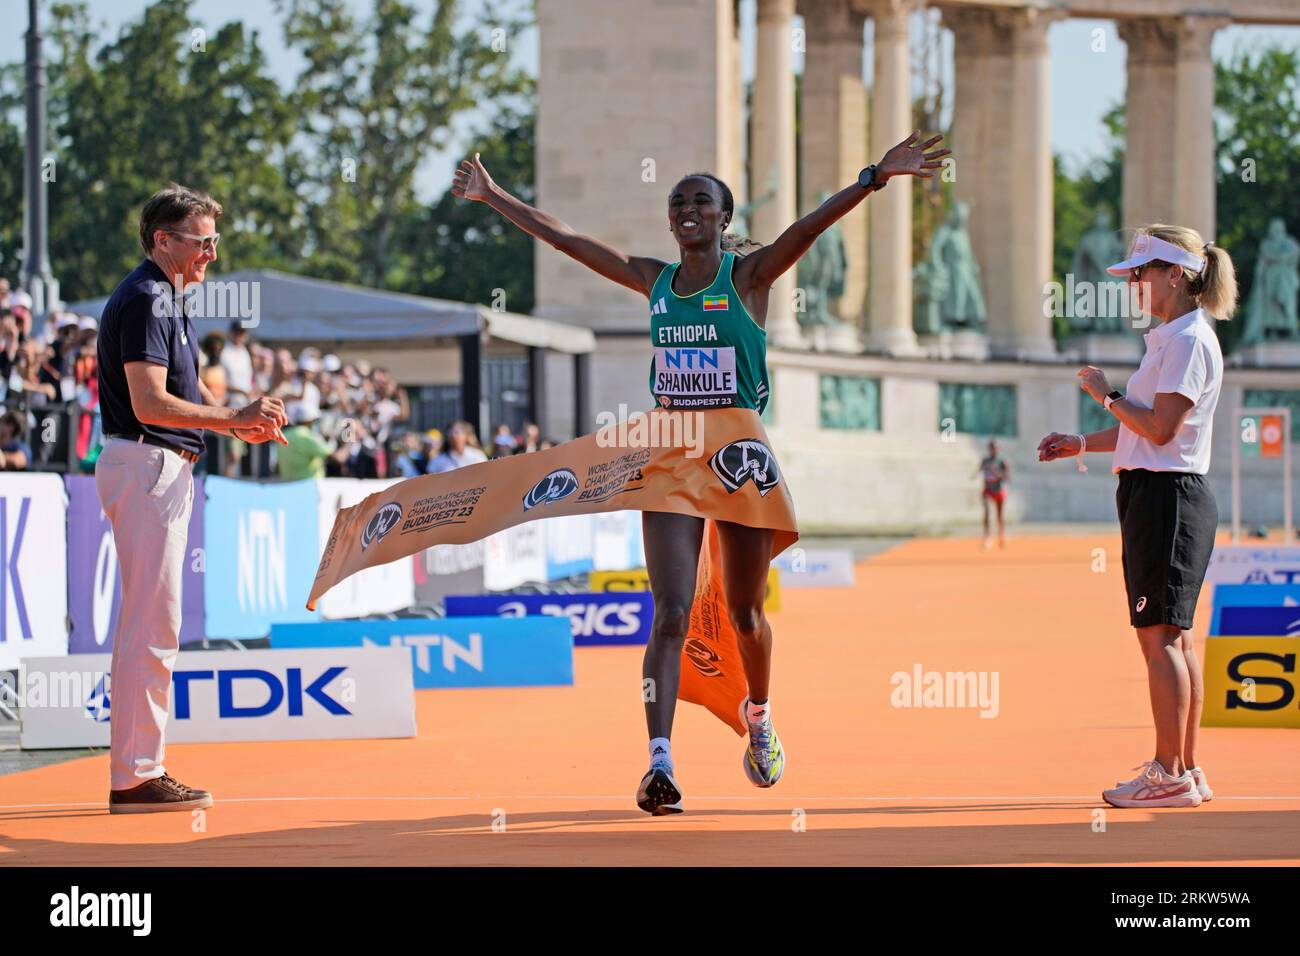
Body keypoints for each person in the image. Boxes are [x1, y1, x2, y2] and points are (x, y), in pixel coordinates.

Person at [453, 130, 948, 813]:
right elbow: (567, 238)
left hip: (739, 454)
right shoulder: (654, 279)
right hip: (673, 454)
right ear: (670, 219)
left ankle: (760, 714)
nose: (688, 209)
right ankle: (659, 763)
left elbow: (808, 227)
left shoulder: (748, 277)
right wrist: (493, 194)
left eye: (702, 201)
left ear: (724, 219)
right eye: (679, 201)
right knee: (670, 615)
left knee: (746, 613)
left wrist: (873, 178)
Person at [95, 183, 287, 813]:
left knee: (153, 624)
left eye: (213, 240)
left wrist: (239, 421)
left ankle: (138, 770)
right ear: (164, 240)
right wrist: (234, 418)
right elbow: (150, 403)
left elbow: (173, 398)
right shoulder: (150, 297)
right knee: (152, 626)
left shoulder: (165, 298)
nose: (212, 252)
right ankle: (136, 774)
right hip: (148, 459)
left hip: (155, 463)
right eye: (203, 242)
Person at [1038, 224, 1237, 809]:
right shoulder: (1176, 337)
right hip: (1164, 494)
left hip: (1166, 498)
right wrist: (1080, 442)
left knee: (1160, 642)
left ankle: (1169, 772)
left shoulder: (1187, 341)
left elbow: (1158, 428)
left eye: (1142, 273)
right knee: (1177, 640)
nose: (1134, 284)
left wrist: (1103, 393)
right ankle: (1185, 769)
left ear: (1174, 274)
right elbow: (1144, 429)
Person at [278, 405, 333, 480]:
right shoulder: (307, 435)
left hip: (288, 484)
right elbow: (335, 457)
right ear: (309, 421)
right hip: (309, 485)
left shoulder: (285, 434)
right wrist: (349, 442)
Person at [976, 439, 1009, 549]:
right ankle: (987, 537)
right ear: (989, 449)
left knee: (999, 516)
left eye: (995, 448)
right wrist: (976, 473)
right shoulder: (985, 461)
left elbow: (1007, 477)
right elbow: (980, 470)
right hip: (987, 490)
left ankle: (1001, 535)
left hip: (998, 490)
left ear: (998, 449)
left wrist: (997, 473)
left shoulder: (1002, 462)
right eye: (992, 448)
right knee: (986, 513)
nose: (993, 450)